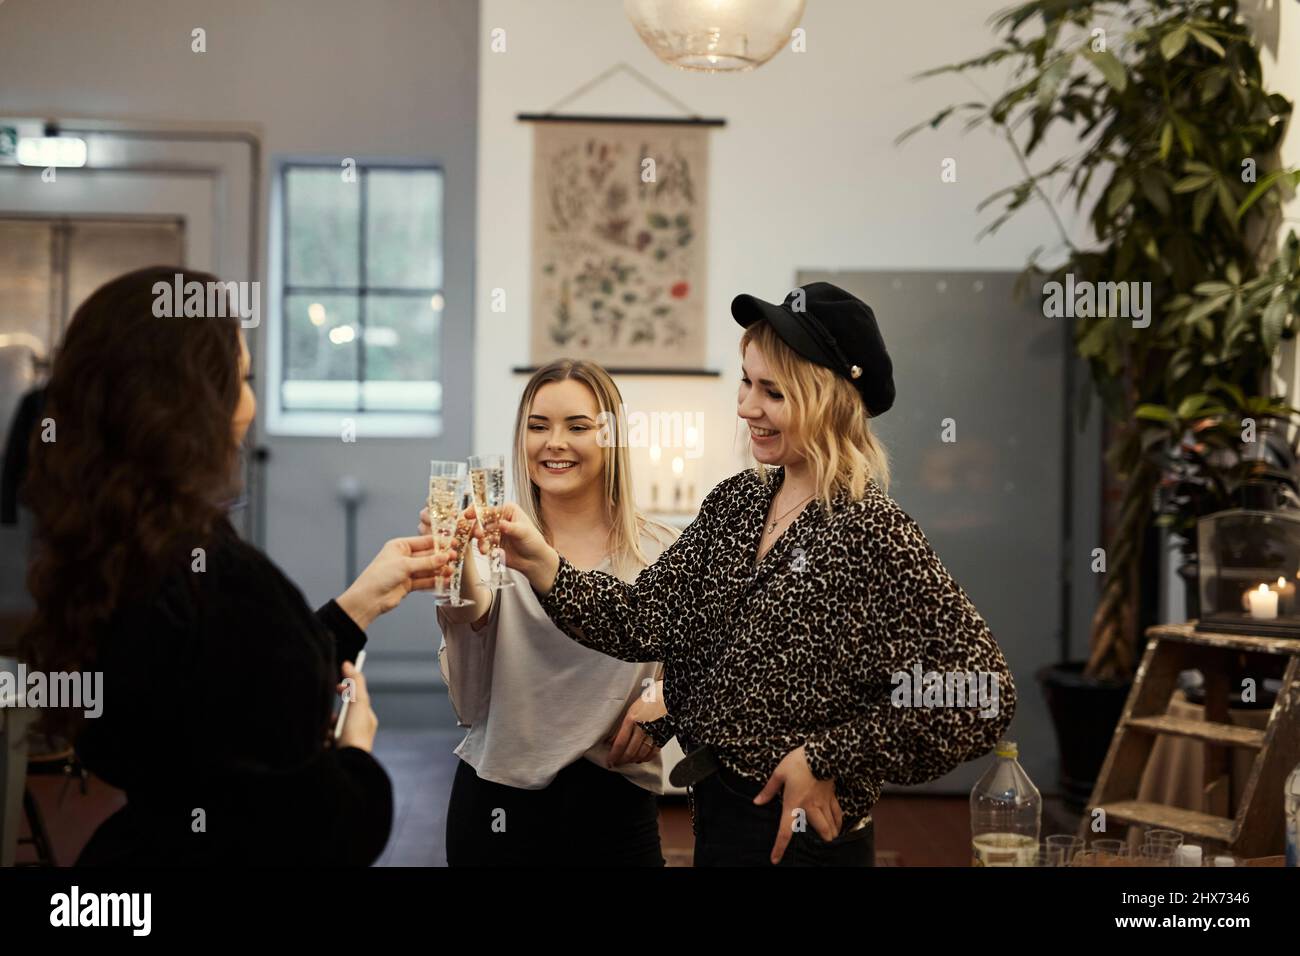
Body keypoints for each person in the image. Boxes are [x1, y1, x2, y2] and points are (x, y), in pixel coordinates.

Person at [479, 282, 1018, 867]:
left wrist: (826, 758)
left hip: (807, 838)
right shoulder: (737, 503)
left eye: (772, 392)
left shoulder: (872, 531)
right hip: (719, 821)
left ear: (829, 401)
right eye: (746, 381)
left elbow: (980, 695)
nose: (745, 407)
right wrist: (540, 562)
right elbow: (648, 621)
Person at [20, 266, 438, 866]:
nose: (250, 402)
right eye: (241, 379)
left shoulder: (108, 554)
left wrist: (358, 605)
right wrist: (356, 754)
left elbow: (229, 693)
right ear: (195, 404)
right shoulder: (217, 580)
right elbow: (323, 832)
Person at [424, 360, 678, 866]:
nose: (553, 442)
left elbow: (711, 659)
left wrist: (667, 694)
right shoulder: (494, 541)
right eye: (538, 426)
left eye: (577, 426)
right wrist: (453, 564)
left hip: (616, 807)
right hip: (499, 805)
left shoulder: (661, 551)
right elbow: (470, 622)